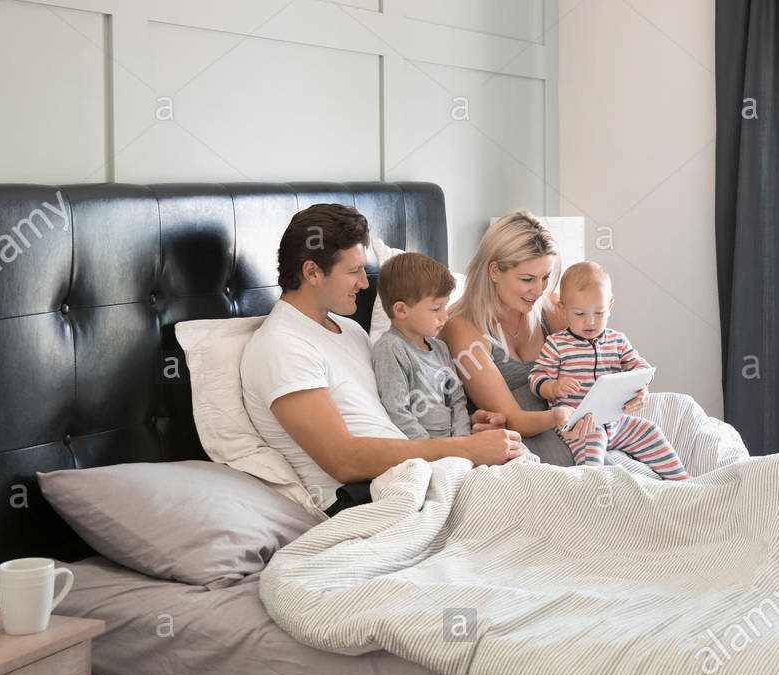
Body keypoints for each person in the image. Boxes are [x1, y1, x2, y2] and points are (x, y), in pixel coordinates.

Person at [240, 203, 522, 515]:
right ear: (312, 272)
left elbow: (388, 414)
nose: (364, 282)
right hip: (366, 498)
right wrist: (464, 449)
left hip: (417, 473)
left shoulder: (350, 331)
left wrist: (464, 430)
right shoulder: (281, 346)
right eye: (353, 271)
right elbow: (344, 460)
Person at [440, 211, 649, 466]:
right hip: (530, 432)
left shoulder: (548, 306)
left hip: (577, 420)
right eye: (527, 279)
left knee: (678, 412)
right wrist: (558, 417)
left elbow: (600, 356)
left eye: (546, 278)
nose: (539, 290)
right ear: (494, 271)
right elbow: (512, 416)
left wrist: (632, 389)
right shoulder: (463, 328)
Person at [529, 262, 689, 479]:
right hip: (580, 425)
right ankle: (594, 490)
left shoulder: (617, 340)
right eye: (579, 314)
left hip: (617, 422)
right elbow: (536, 378)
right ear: (563, 309)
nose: (590, 321)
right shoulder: (557, 344)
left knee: (650, 431)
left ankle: (682, 481)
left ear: (610, 305)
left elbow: (639, 366)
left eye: (599, 312)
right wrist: (553, 386)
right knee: (593, 442)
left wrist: (642, 389)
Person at [370, 251, 472, 440]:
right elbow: (397, 410)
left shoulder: (440, 348)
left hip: (454, 446)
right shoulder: (391, 348)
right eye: (436, 308)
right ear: (401, 310)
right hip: (425, 449)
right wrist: (434, 449)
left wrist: (463, 440)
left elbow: (457, 400)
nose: (445, 316)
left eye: (445, 306)